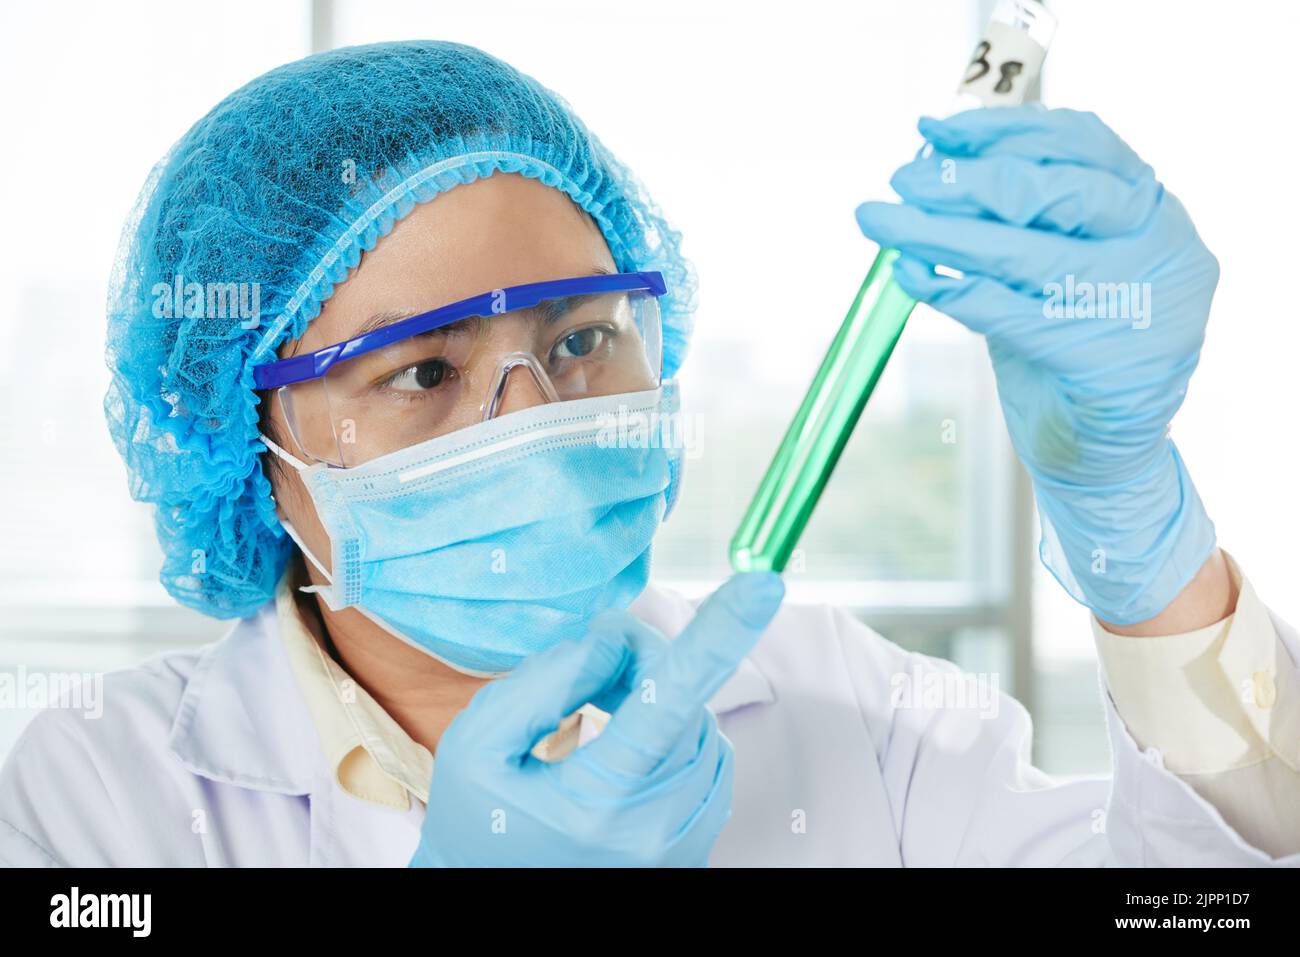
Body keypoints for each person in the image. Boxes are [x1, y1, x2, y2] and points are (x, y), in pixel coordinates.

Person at [1, 40, 1295, 867]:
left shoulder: (858, 712)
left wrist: (1137, 531)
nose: (533, 418)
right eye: (424, 371)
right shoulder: (97, 793)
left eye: (579, 339)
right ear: (250, 439)